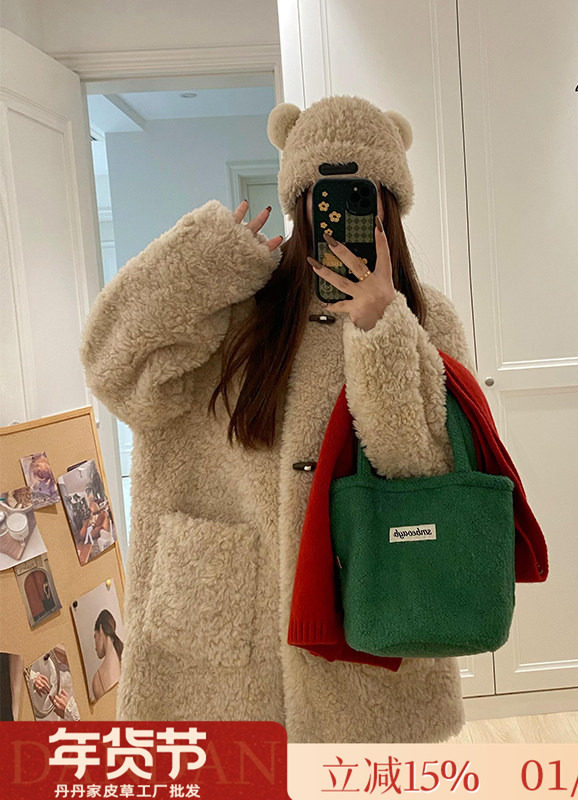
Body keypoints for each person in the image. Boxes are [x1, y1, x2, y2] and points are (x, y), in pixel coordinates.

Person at [79, 94, 477, 743]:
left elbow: (425, 468)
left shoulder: (426, 321)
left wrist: (381, 328)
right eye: (323, 194)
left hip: (368, 623)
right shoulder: (232, 309)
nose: (340, 212)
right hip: (225, 619)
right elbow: (113, 368)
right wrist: (199, 265)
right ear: (299, 202)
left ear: (389, 208)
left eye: (362, 195)